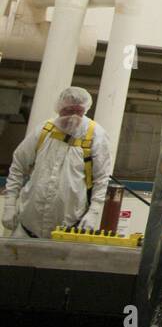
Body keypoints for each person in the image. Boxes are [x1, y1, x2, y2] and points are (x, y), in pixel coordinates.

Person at [2, 86, 112, 239]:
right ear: (59, 108)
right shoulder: (43, 130)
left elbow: (101, 178)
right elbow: (18, 166)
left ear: (85, 109)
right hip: (27, 225)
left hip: (68, 229)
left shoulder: (96, 135)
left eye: (78, 111)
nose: (73, 116)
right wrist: (9, 203)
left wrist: (94, 211)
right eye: (68, 110)